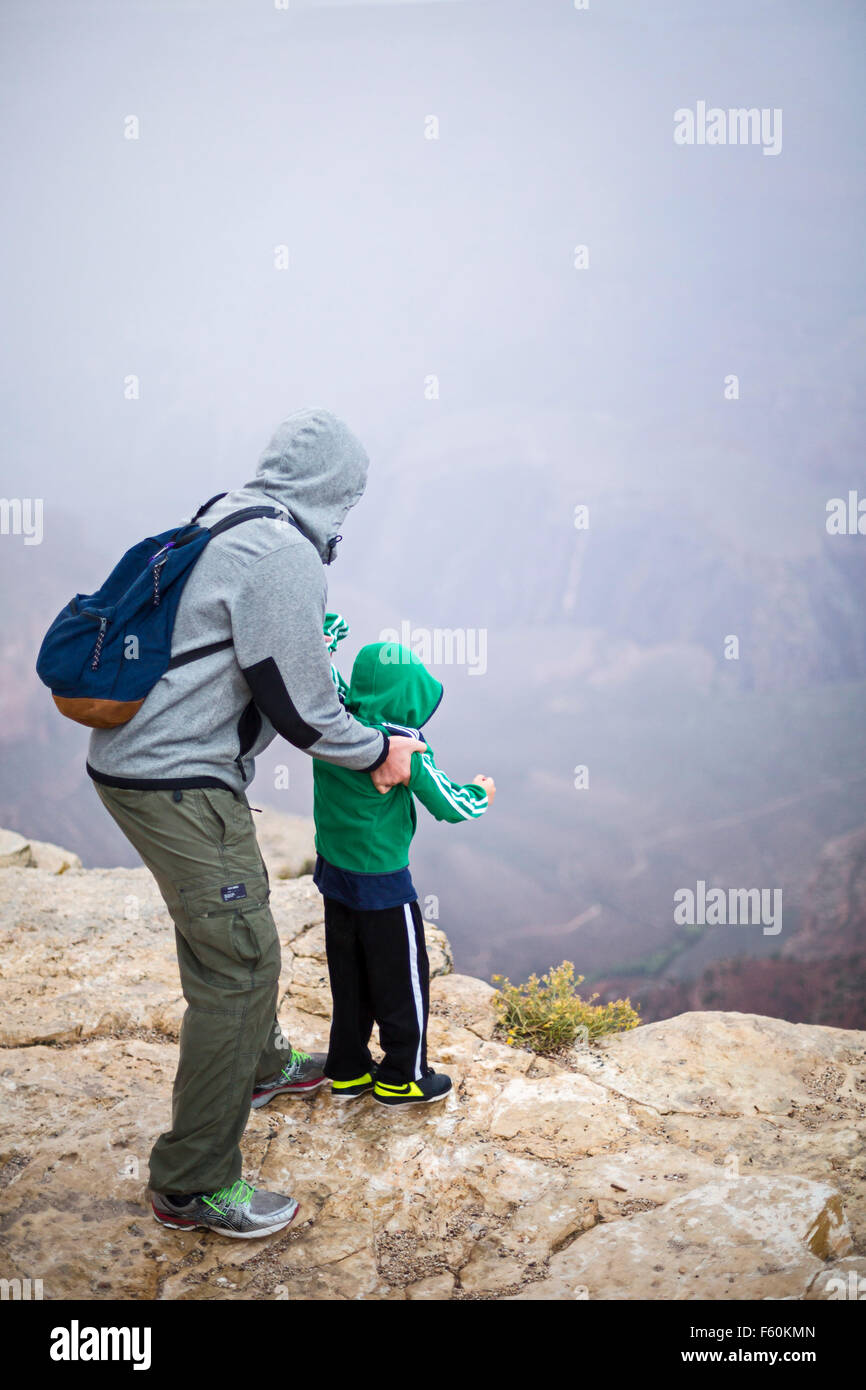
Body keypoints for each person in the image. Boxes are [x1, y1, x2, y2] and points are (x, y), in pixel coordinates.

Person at [88, 409, 425, 1238]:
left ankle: (262, 1064)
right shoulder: (283, 553)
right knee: (239, 961)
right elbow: (305, 714)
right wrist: (380, 746)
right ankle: (194, 1183)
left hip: (150, 764)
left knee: (229, 931)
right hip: (174, 779)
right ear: (337, 491)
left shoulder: (228, 513)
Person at [307, 629, 495, 1108]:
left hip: (334, 874)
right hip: (384, 887)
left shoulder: (335, 720)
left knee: (349, 977)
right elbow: (452, 806)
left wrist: (323, 635)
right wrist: (481, 793)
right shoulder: (403, 750)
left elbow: (322, 676)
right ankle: (402, 1078)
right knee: (403, 980)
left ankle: (348, 1071)